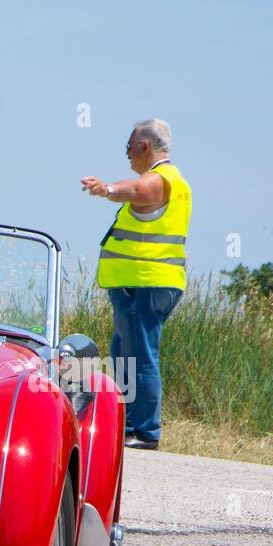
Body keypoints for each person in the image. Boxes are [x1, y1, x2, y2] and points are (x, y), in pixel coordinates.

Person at [81, 117, 191, 450]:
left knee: (140, 355)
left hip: (144, 284)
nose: (127, 155)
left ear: (143, 146)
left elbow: (137, 190)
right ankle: (129, 424)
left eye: (128, 147)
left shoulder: (159, 180)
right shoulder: (176, 182)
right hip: (144, 284)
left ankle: (144, 430)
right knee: (125, 353)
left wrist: (108, 189)